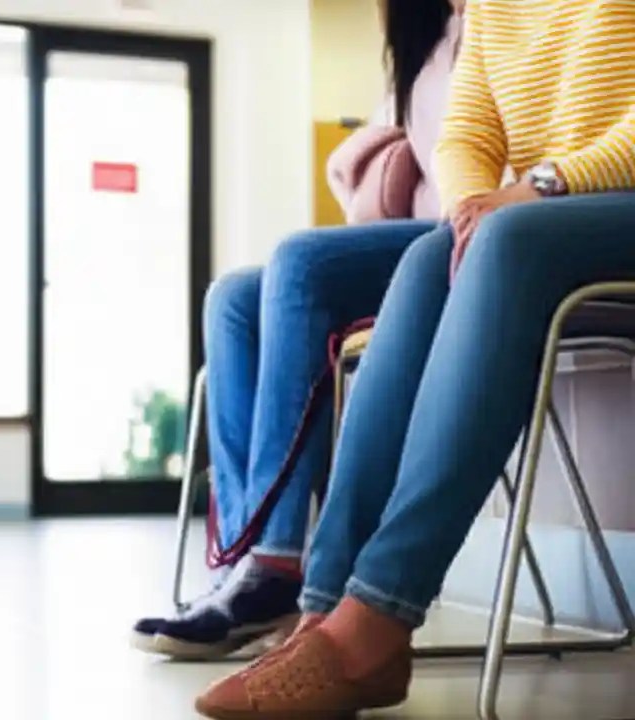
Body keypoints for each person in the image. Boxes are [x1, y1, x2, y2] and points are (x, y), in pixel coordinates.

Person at [195, 0, 635, 716]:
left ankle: (380, 612)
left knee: (508, 238)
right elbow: (468, 129)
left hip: (588, 205)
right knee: (435, 253)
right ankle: (327, 606)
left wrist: (538, 187)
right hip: (552, 218)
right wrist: (469, 209)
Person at [131, 0, 463, 661]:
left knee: (300, 261)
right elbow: (359, 171)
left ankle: (277, 561)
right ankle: (245, 559)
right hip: (413, 234)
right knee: (231, 297)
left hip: (471, 231)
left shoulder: (508, 20)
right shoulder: (421, 38)